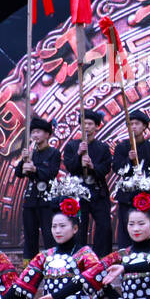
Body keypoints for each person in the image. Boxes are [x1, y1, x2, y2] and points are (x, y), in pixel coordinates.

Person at [63, 110, 113, 257]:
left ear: (97, 126)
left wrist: (92, 166)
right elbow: (70, 167)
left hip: (98, 191)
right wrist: (79, 154)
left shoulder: (103, 147)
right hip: (78, 192)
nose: (87, 127)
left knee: (104, 227)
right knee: (79, 227)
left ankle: (102, 259)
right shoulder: (72, 146)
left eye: (90, 124)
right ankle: (80, 259)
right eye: (84, 124)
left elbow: (106, 168)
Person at [112, 109, 150, 248]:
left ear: (144, 126)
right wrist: (129, 160)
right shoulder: (122, 147)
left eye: (136, 124)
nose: (133, 127)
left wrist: (146, 179)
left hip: (147, 196)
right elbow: (117, 168)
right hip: (127, 197)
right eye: (130, 124)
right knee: (127, 230)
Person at [16, 117, 61, 261]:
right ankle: (30, 265)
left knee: (49, 233)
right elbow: (18, 174)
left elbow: (51, 173)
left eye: (38, 132)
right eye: (33, 132)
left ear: (47, 134)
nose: (35, 135)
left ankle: (52, 262)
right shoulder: (30, 153)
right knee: (29, 234)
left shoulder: (54, 153)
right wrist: (23, 160)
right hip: (31, 199)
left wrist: (35, 169)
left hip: (47, 199)